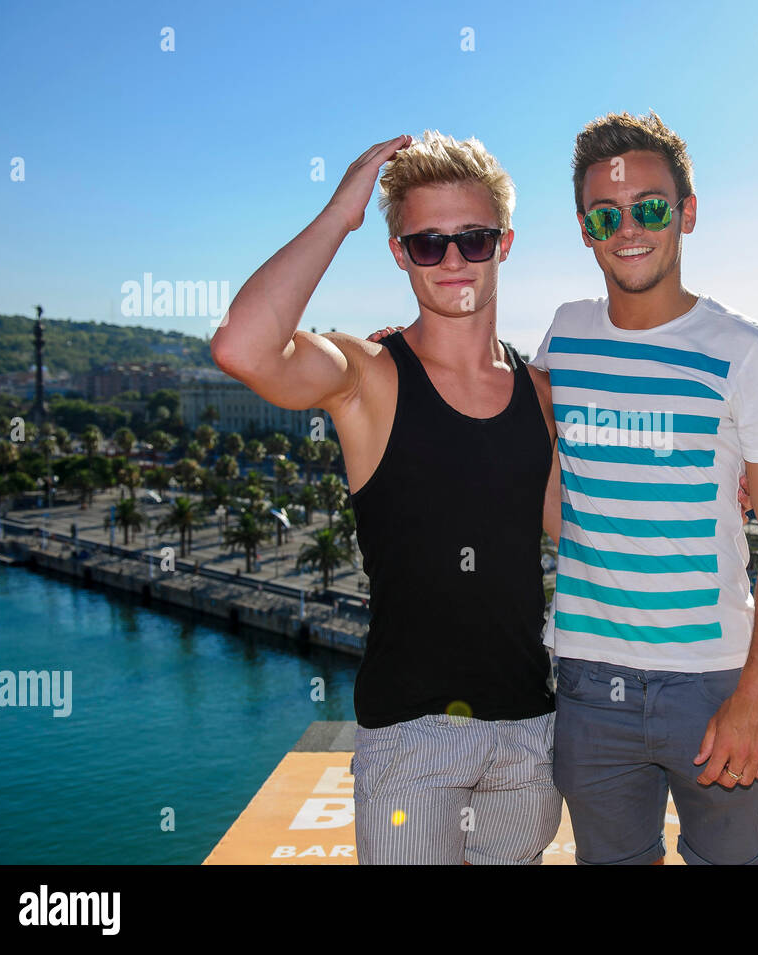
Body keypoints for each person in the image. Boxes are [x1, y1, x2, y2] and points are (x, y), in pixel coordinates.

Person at [210, 130, 564, 865]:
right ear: (399, 253)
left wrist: (726, 479)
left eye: (473, 239)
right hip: (412, 735)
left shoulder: (538, 392)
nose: (454, 260)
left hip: (532, 731)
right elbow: (242, 348)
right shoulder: (369, 374)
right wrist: (342, 213)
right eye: (428, 244)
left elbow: (581, 526)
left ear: (505, 243)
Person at [530, 111, 758, 865]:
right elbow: (518, 452)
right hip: (591, 683)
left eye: (651, 207)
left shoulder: (747, 352)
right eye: (606, 214)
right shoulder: (563, 336)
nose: (630, 227)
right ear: (587, 230)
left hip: (716, 682)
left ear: (686, 213)